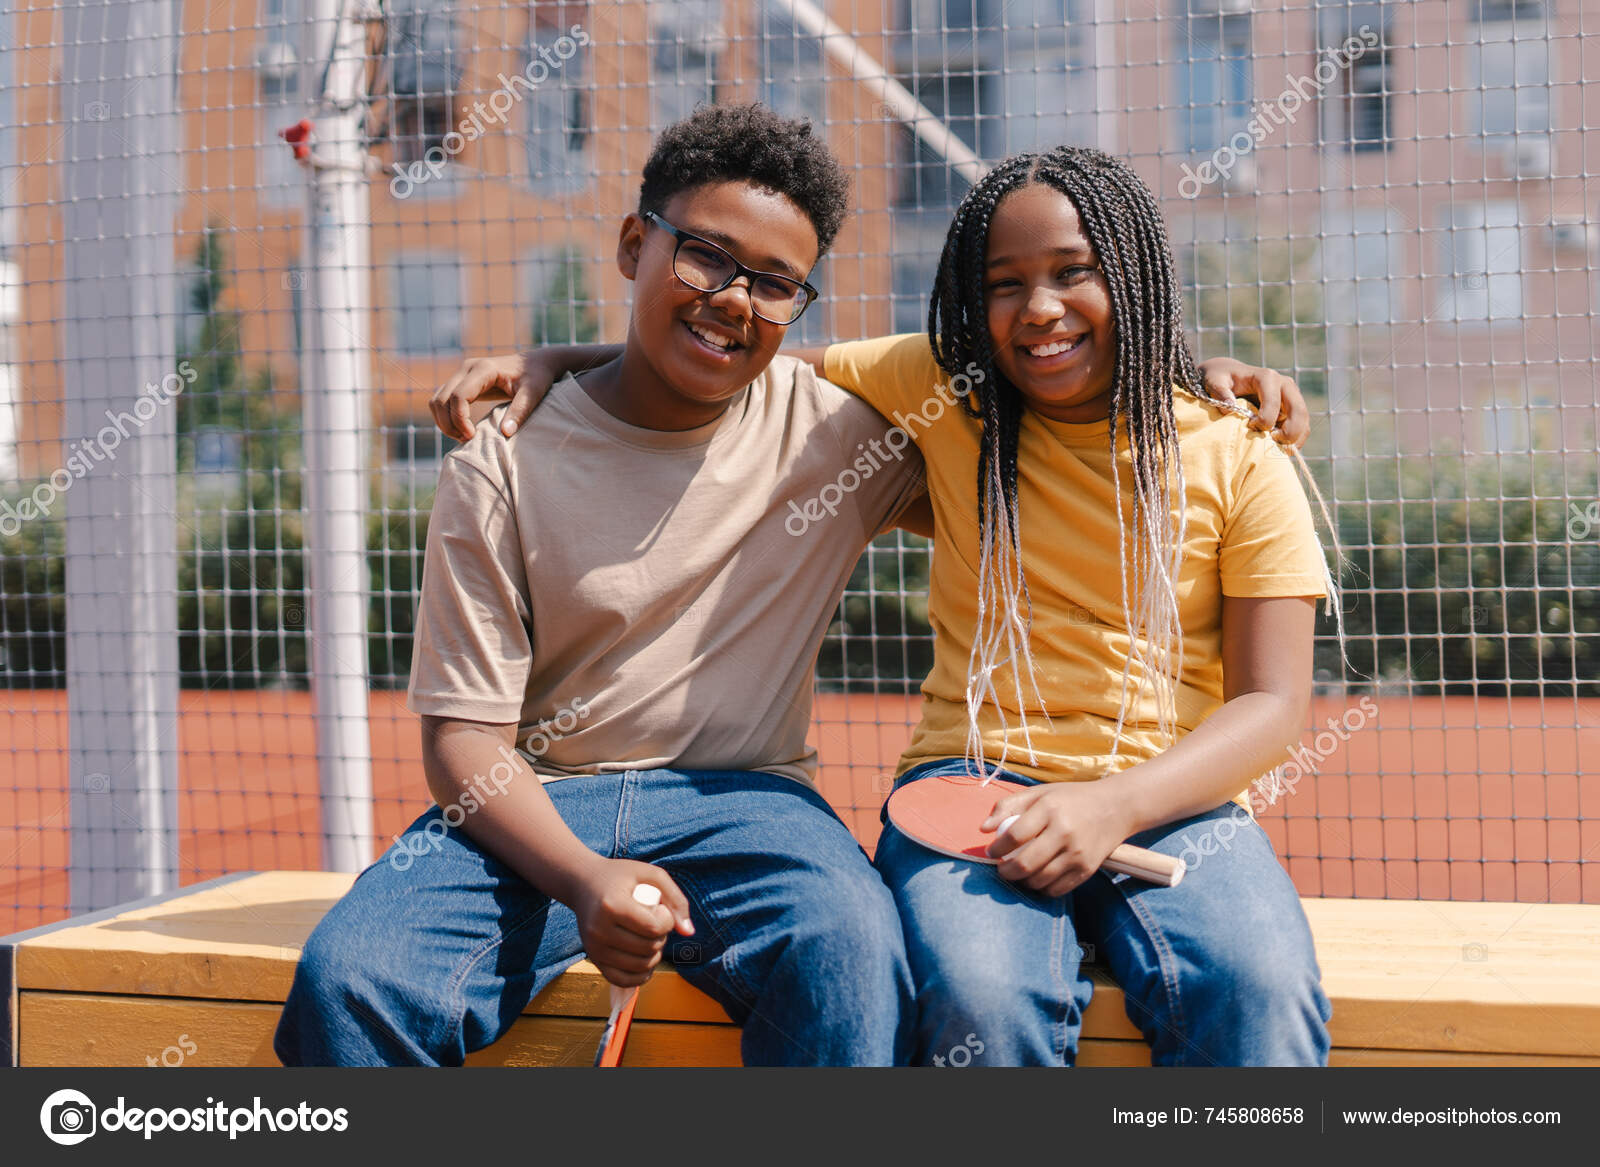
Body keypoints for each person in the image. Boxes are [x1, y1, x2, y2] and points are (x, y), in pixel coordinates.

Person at [426, 138, 1327, 1068]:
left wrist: (1115, 804)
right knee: (980, 1001)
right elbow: (738, 345)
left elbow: (1274, 704)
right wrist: (560, 360)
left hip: (1173, 797)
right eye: (1003, 284)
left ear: (1134, 277)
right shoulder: (944, 386)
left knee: (1258, 992)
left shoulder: (1240, 449)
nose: (1040, 308)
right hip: (970, 782)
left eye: (1075, 273)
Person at [275, 104, 933, 1067]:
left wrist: (1197, 384)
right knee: (351, 978)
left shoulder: (837, 434)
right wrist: (584, 879)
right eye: (705, 257)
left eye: (775, 283)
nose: (733, 300)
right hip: (537, 801)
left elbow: (1038, 435)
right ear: (635, 244)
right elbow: (463, 741)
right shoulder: (501, 453)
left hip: (751, 802)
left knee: (854, 951)